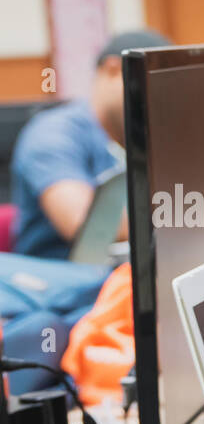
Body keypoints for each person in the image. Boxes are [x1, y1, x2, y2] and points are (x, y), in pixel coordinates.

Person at [9, 29, 170, 260]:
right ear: (114, 70)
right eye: (151, 88)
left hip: (124, 271)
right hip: (63, 282)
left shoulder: (135, 133)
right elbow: (84, 225)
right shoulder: (53, 133)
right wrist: (187, 212)